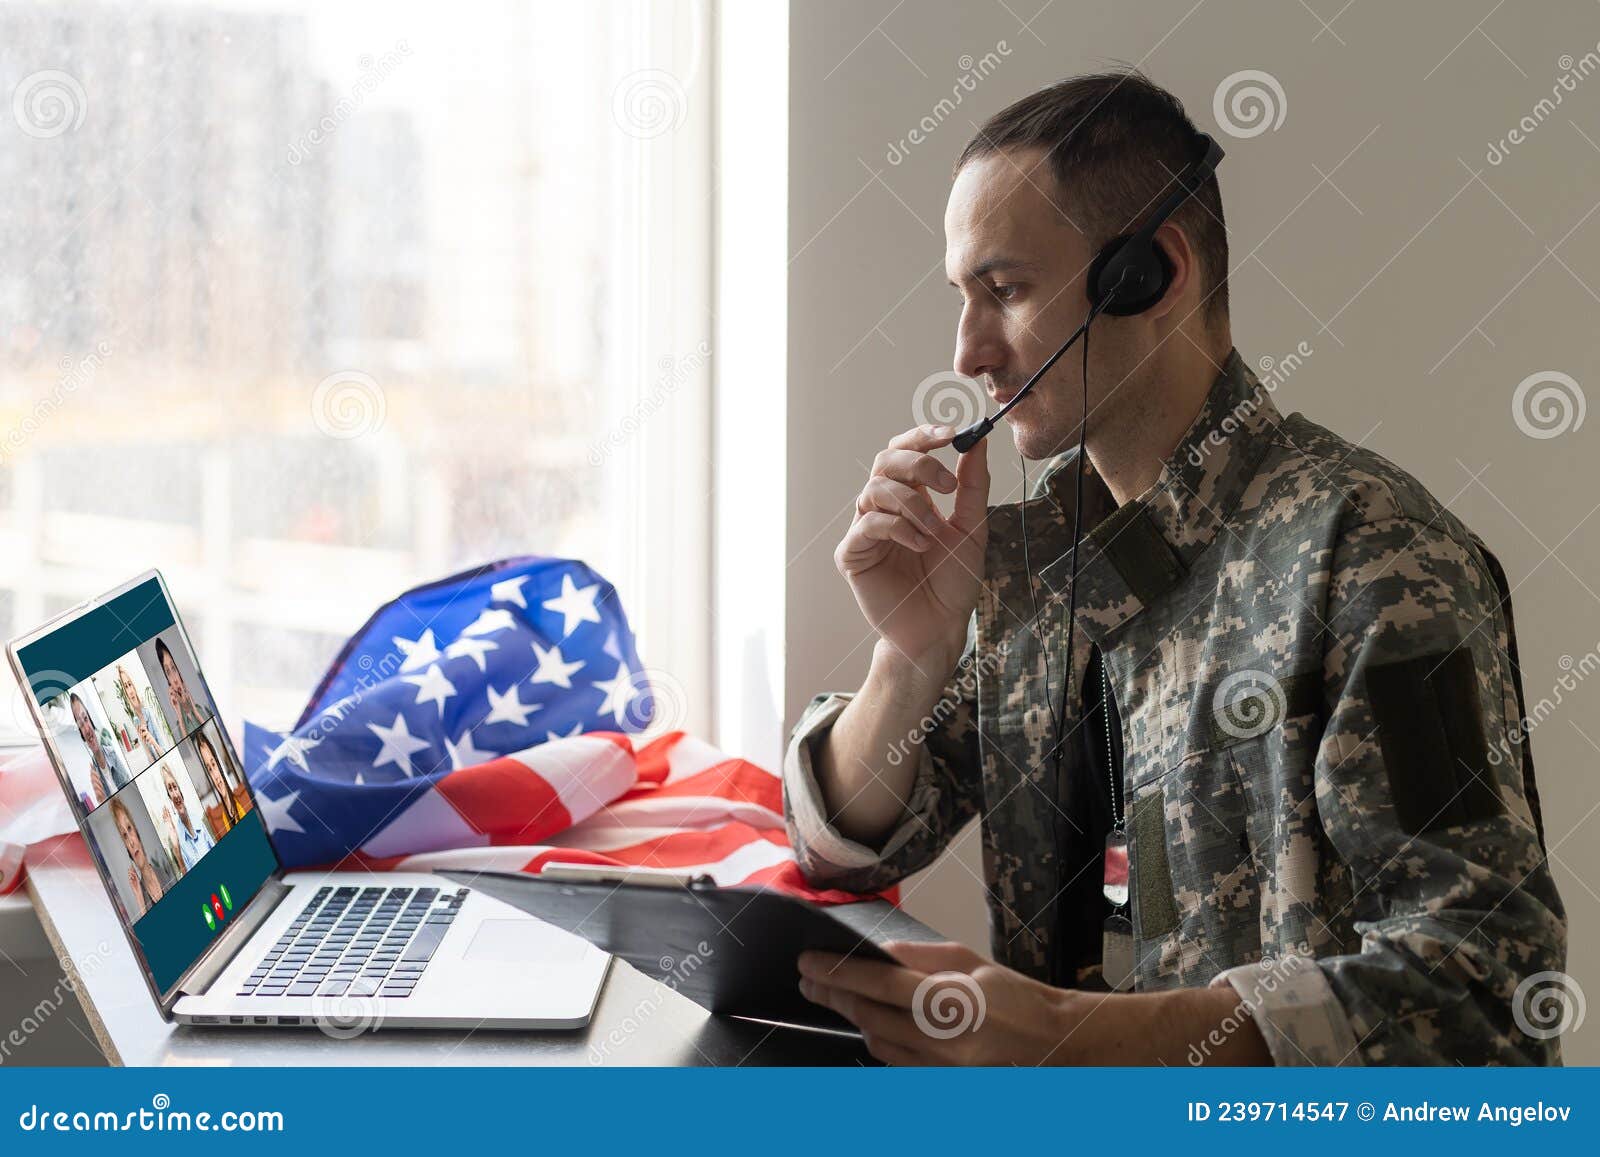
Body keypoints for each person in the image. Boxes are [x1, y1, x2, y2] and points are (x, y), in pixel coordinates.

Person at [784, 71, 1566, 1066]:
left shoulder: (1371, 556)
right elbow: (842, 846)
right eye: (962, 296)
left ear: (1150, 274)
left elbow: (1481, 995)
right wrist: (910, 655)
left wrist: (1071, 1040)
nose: (968, 349)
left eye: (1006, 290)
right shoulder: (1037, 564)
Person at [110, 795, 167, 920]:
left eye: (129, 829)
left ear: (137, 833)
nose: (130, 841)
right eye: (124, 835)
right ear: (127, 849)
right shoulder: (141, 897)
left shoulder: (166, 872)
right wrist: (140, 901)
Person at [70, 691, 131, 808]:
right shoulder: (94, 777)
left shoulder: (112, 754)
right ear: (81, 734)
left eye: (85, 719)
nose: (87, 729)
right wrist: (102, 802)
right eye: (80, 725)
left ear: (91, 720)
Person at [160, 761, 214, 871]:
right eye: (170, 789)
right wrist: (176, 849)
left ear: (180, 790)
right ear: (169, 798)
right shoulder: (177, 838)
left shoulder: (199, 820)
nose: (175, 794)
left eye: (175, 787)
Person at [113, 661, 170, 765]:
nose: (130, 690)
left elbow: (165, 752)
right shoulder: (135, 721)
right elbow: (150, 759)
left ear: (134, 686)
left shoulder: (148, 711)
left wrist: (152, 741)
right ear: (125, 692)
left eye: (130, 684)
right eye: (126, 686)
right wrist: (144, 744)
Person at [155, 636, 210, 737]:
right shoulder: (179, 725)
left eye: (173, 668)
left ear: (179, 672)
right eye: (168, 672)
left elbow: (213, 735)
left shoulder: (199, 709)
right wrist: (179, 715)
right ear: (168, 682)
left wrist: (194, 710)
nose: (175, 679)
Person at [195, 730, 241, 833]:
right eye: (210, 769)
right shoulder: (225, 819)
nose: (215, 776)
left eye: (213, 764)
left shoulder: (240, 803)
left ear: (219, 764)